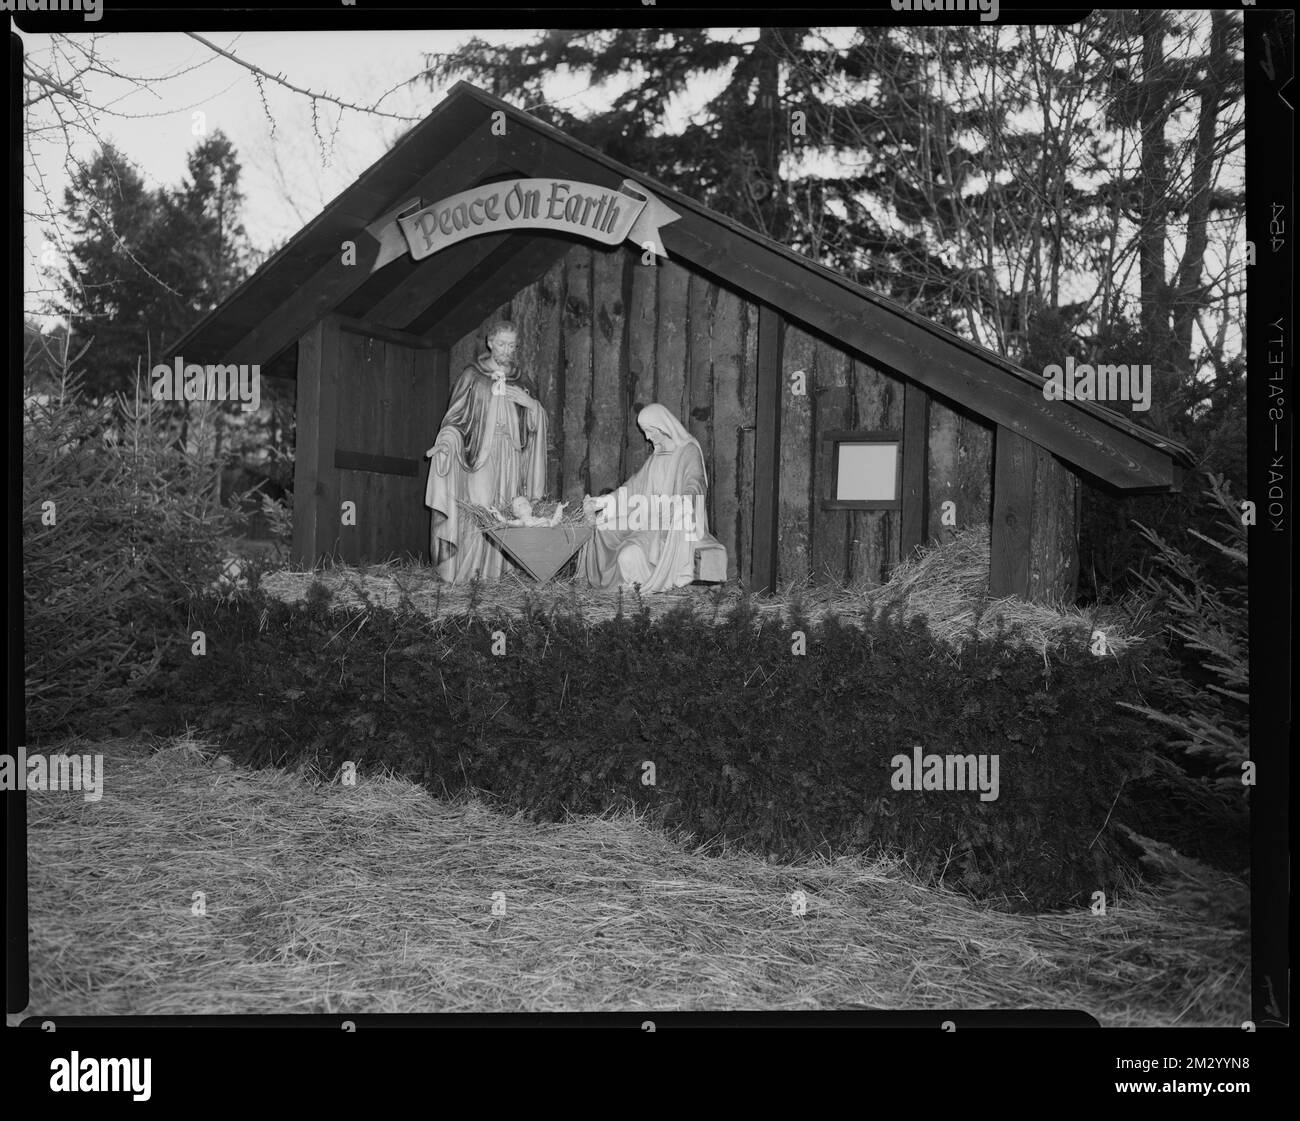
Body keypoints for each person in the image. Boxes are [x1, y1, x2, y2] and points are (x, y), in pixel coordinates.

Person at [425, 324, 549, 581]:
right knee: (479, 510)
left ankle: (501, 575)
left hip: (513, 457)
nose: (507, 350)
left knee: (509, 511)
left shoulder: (521, 380)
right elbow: (455, 419)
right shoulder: (473, 376)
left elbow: (534, 426)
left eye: (512, 345)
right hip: (481, 455)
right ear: (490, 343)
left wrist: (531, 405)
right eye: (502, 344)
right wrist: (446, 442)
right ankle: (470, 573)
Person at [578, 403, 724, 592]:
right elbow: (632, 489)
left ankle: (647, 589)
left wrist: (685, 500)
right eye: (645, 431)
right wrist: (602, 502)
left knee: (627, 556)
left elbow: (695, 482)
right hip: (647, 520)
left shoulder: (688, 451)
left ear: (663, 427)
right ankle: (626, 587)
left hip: (672, 523)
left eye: (650, 431)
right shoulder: (656, 456)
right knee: (603, 527)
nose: (647, 437)